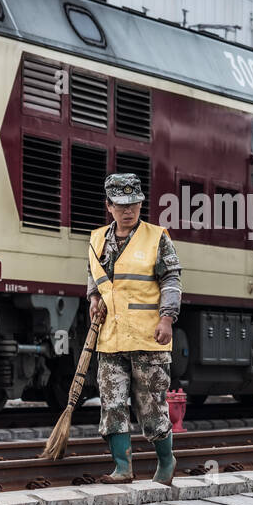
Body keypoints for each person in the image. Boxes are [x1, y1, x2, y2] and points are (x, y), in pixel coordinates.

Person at [87, 173, 182, 486]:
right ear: (109, 206)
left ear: (141, 204)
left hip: (148, 338)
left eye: (134, 204)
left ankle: (166, 464)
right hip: (109, 338)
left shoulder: (157, 237)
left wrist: (167, 318)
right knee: (112, 404)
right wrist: (93, 298)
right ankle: (122, 468)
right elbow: (95, 278)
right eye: (121, 205)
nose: (128, 210)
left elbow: (171, 279)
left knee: (151, 406)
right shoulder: (97, 239)